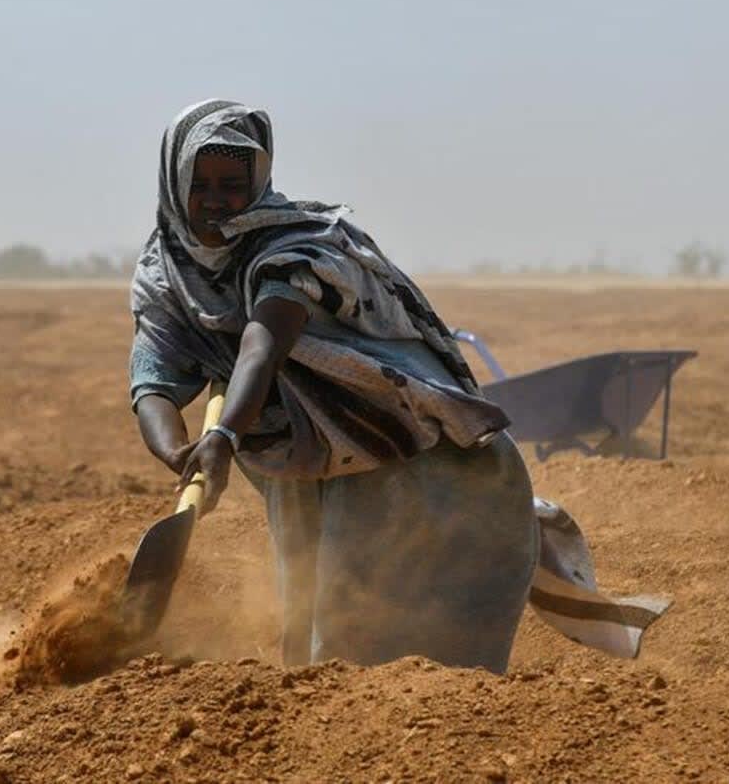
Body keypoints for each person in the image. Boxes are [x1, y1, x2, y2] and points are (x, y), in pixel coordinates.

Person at [129, 99, 539, 672]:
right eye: (200, 185)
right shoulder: (167, 272)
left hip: (410, 456)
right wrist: (178, 451)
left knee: (393, 649)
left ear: (260, 181)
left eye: (232, 184)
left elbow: (263, 343)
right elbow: (153, 379)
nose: (216, 199)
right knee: (321, 649)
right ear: (175, 186)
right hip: (310, 470)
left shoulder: (301, 246)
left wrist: (222, 433)